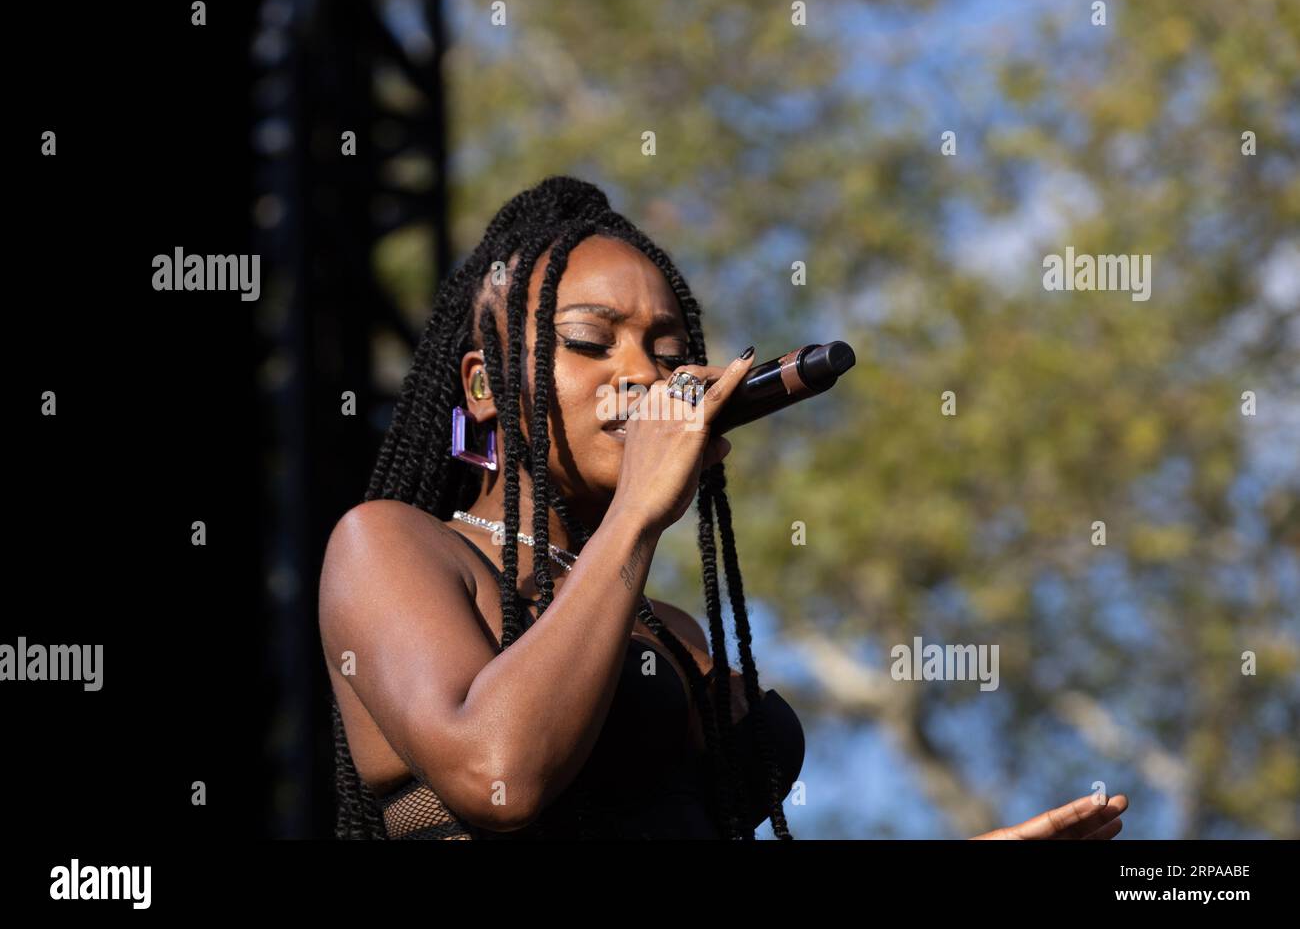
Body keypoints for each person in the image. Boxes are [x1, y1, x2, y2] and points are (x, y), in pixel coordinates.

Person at [318, 175, 1130, 841]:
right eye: (592, 342)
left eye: (669, 354)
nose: (642, 374)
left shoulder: (670, 631)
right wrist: (638, 513)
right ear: (484, 387)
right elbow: (498, 778)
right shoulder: (392, 548)